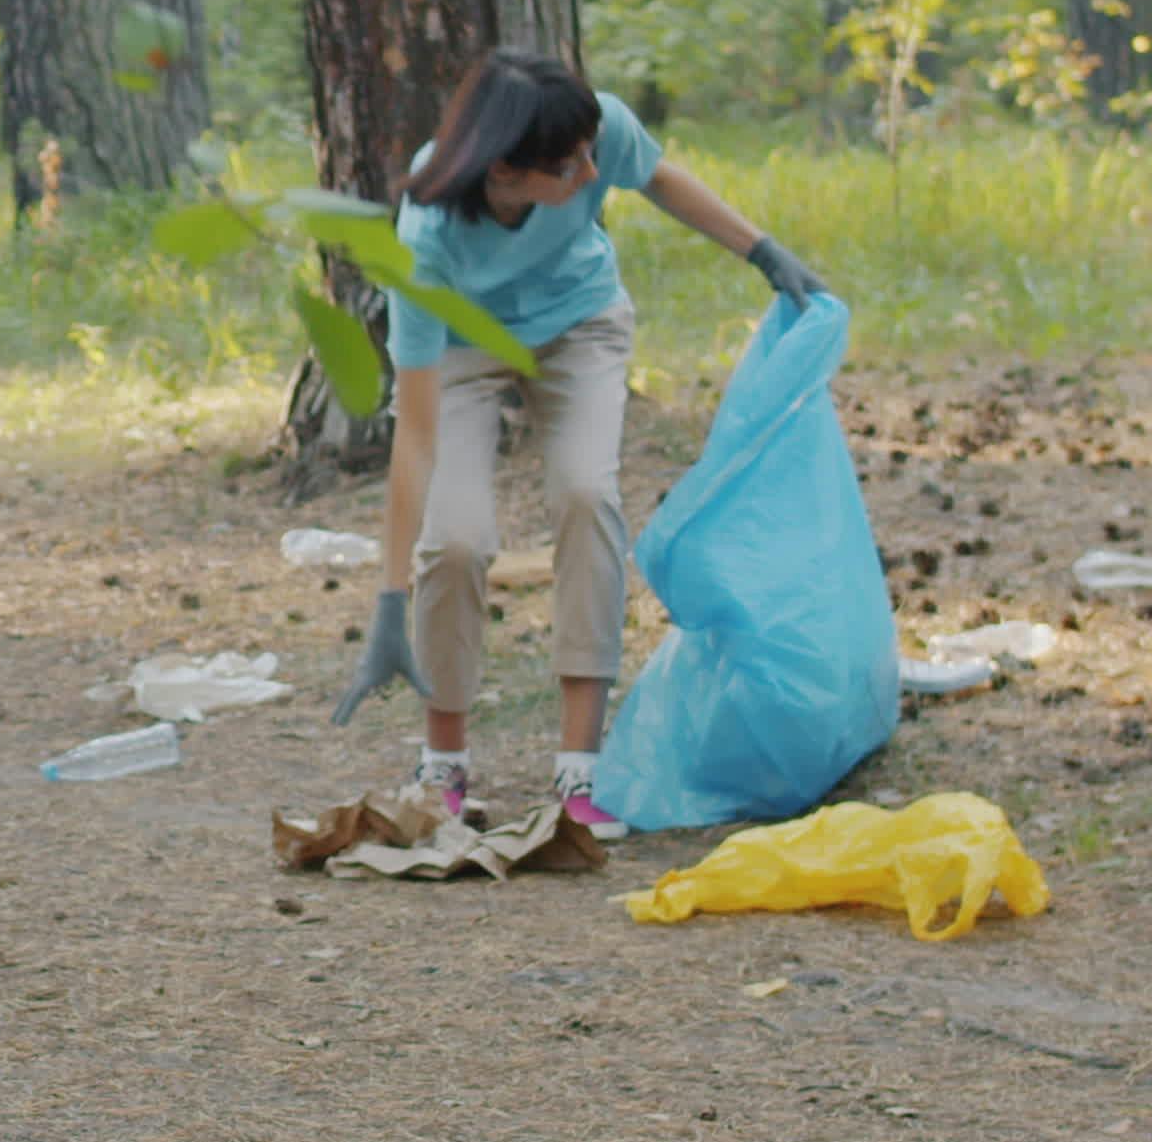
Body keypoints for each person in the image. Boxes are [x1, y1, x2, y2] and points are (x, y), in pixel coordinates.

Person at [331, 51, 828, 836]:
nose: (594, 173)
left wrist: (762, 252)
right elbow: (418, 434)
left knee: (585, 494)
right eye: (571, 166)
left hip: (579, 324)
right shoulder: (426, 241)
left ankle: (578, 775)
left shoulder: (583, 127)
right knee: (455, 539)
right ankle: (445, 769)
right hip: (463, 348)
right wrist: (390, 602)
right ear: (505, 169)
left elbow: (657, 178)